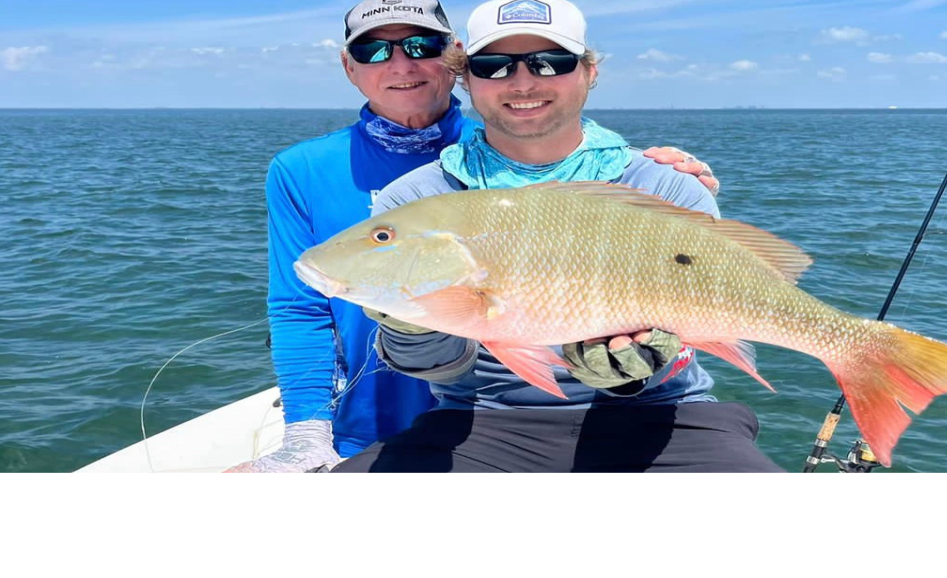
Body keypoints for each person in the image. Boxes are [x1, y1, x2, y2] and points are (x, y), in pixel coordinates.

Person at [227, 0, 722, 473]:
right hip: (423, 414)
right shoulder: (328, 174)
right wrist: (306, 431)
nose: (401, 64)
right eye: (372, 49)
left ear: (452, 60)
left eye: (421, 46)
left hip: (609, 410)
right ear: (347, 65)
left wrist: (667, 186)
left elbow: (559, 147)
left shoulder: (526, 132)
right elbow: (300, 307)